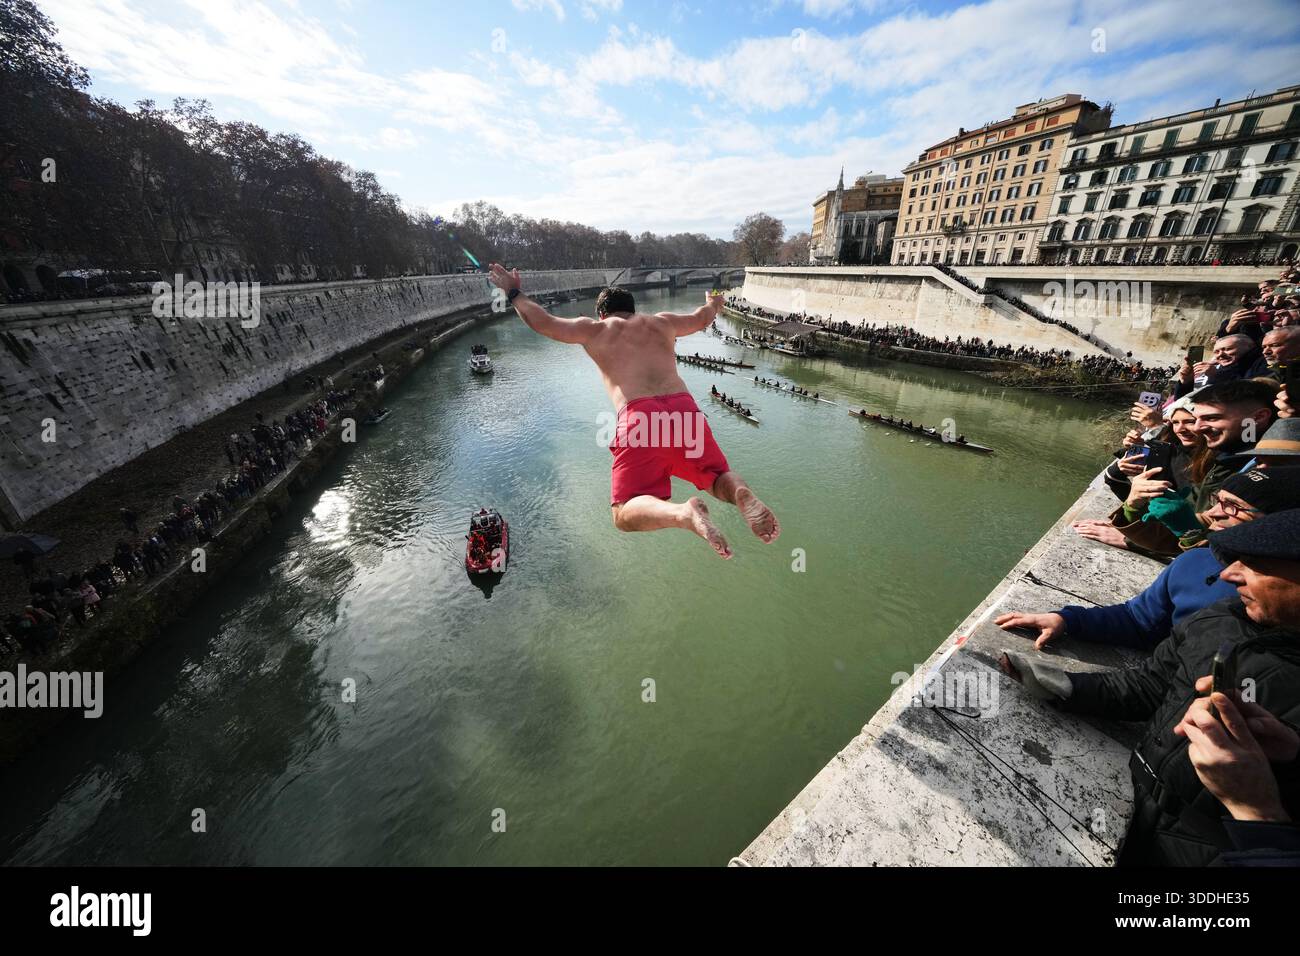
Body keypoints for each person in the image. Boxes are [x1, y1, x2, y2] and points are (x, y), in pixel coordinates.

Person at [1000, 507, 1300, 865]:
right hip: (1133, 813)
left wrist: (1258, 811)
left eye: (1252, 564)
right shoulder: (1223, 617)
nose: (1228, 574)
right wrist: (1065, 687)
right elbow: (1150, 685)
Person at [488, 265, 779, 558]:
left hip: (639, 415)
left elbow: (544, 323)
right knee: (718, 478)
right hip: (683, 407)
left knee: (625, 510)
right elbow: (701, 319)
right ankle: (740, 493)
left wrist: (513, 291)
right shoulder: (662, 322)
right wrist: (714, 303)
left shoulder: (596, 329)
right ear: (633, 309)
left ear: (602, 313)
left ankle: (683, 514)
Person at [997, 468, 1300, 651]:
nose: (1215, 513)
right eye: (1218, 501)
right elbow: (1139, 621)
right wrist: (1067, 619)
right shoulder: (1194, 560)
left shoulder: (1285, 598)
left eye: (1233, 507)